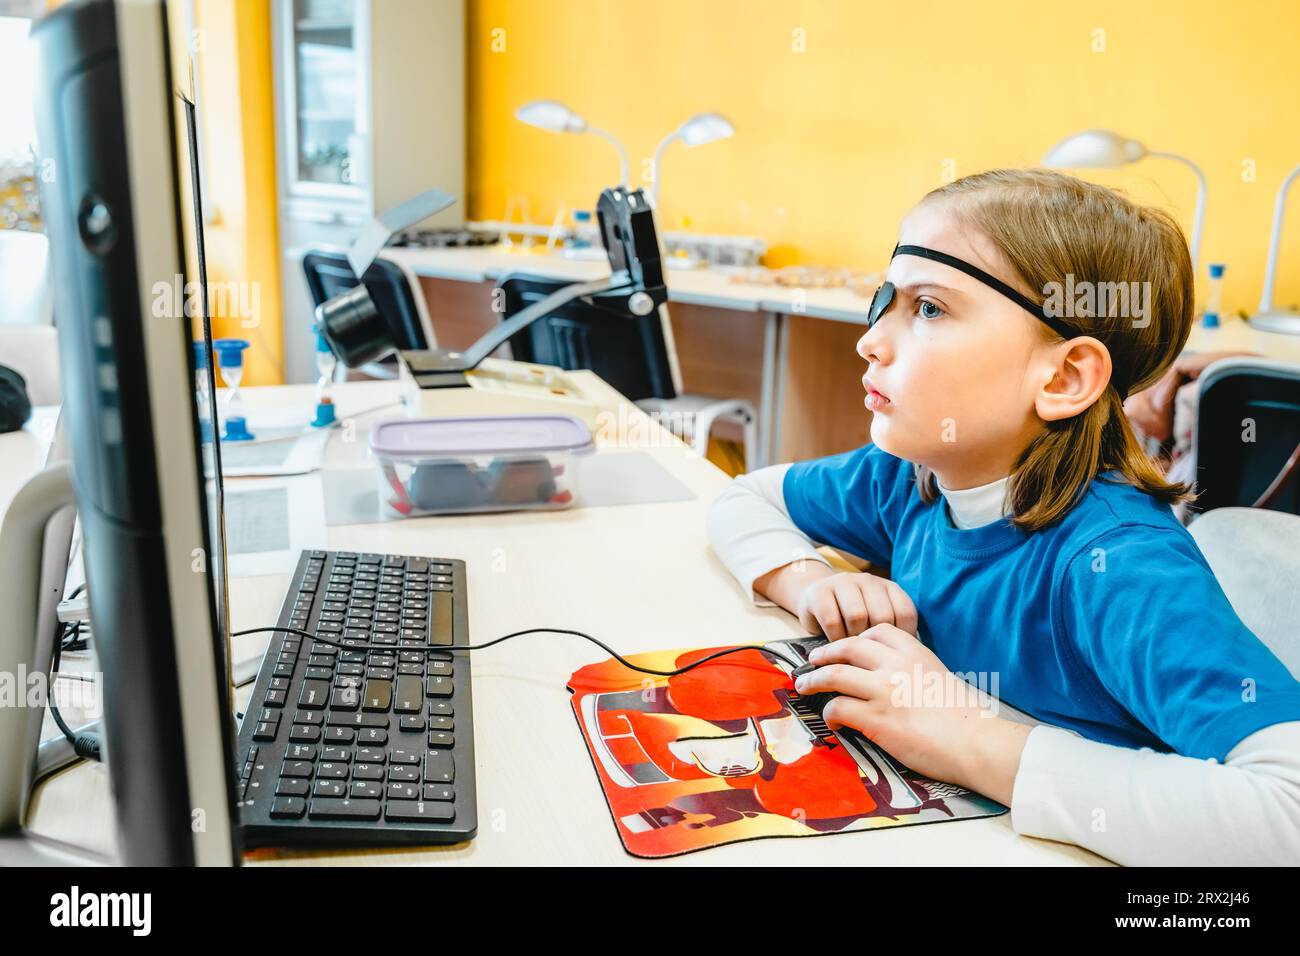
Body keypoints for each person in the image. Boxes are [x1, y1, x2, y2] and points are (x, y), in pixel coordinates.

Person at [707, 168, 1300, 865]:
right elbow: (743, 495)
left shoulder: (1117, 562)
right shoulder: (914, 477)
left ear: (1062, 378)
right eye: (885, 300)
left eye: (928, 308)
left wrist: (969, 741)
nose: (870, 340)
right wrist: (808, 581)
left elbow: (1286, 811)